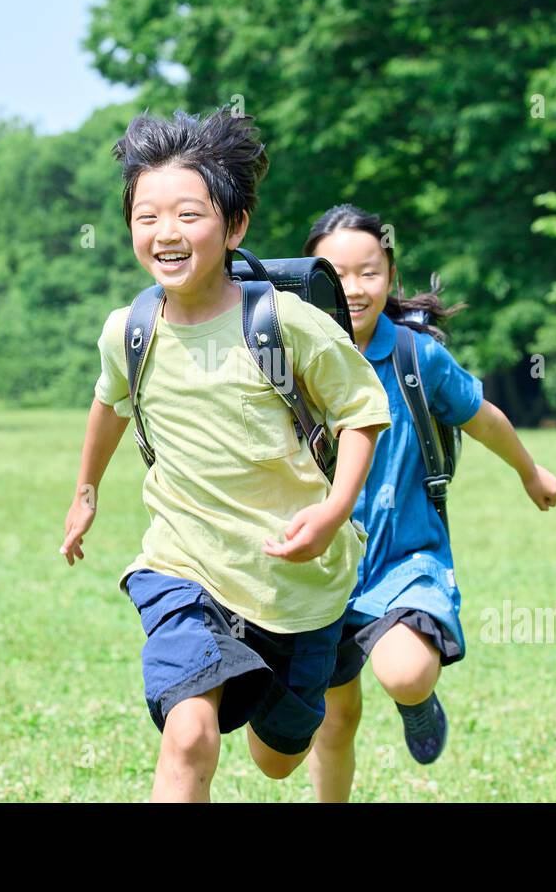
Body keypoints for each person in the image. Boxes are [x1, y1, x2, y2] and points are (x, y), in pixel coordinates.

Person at [60, 110, 392, 802]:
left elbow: (363, 414)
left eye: (188, 213)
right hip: (182, 564)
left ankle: (321, 667)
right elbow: (108, 402)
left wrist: (334, 512)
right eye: (146, 215)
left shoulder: (283, 322)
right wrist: (86, 490)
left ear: (234, 226)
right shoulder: (131, 330)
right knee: (188, 735)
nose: (166, 232)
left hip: (297, 583)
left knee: (276, 760)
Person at [302, 204, 556, 802]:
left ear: (390, 277)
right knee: (335, 720)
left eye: (369, 272)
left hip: (403, 560)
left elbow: (484, 418)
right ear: (311, 279)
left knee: (405, 672)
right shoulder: (290, 357)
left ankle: (419, 704)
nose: (353, 288)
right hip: (319, 570)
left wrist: (530, 471)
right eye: (335, 274)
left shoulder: (417, 359)